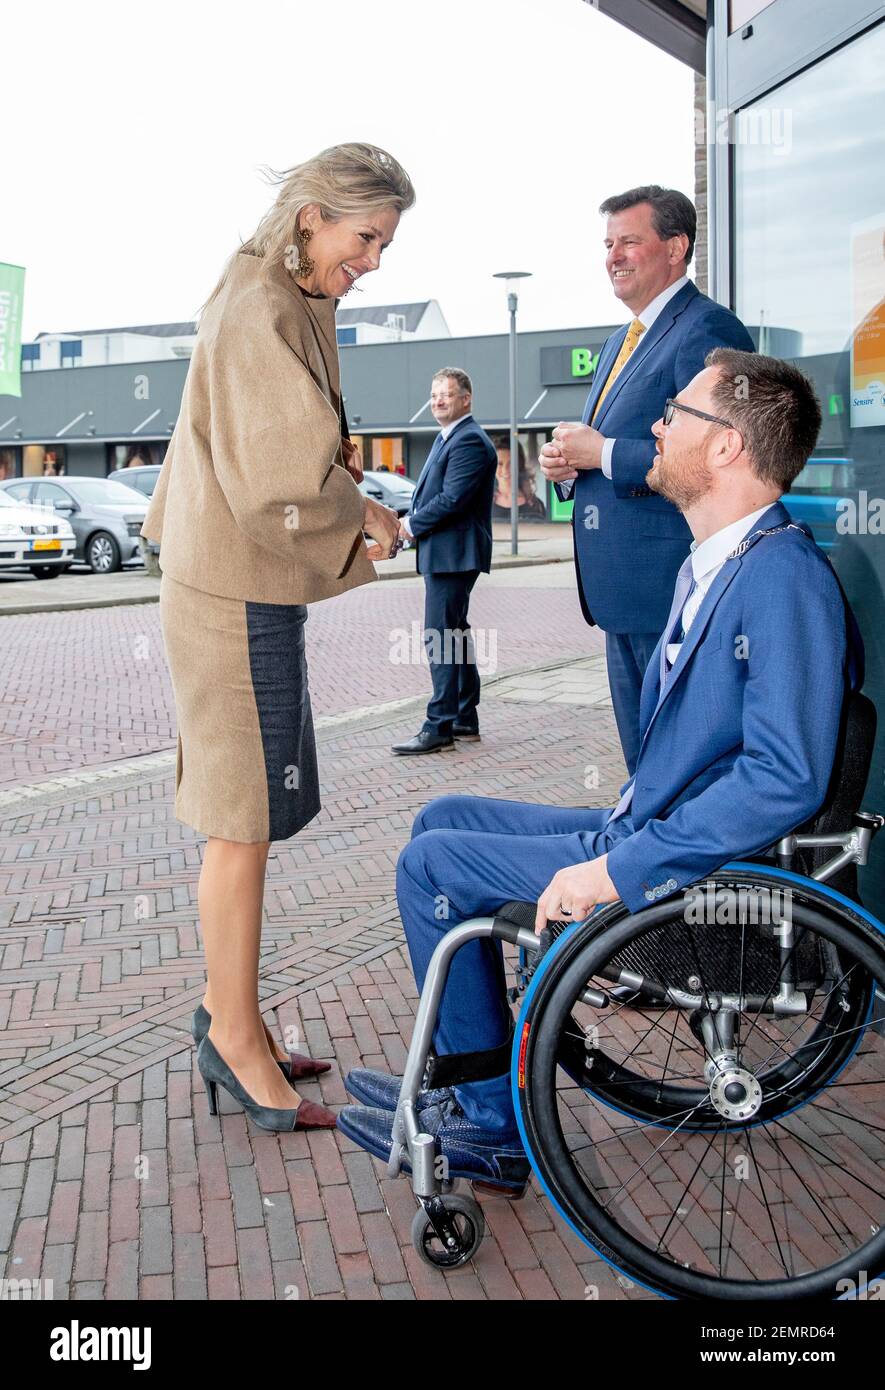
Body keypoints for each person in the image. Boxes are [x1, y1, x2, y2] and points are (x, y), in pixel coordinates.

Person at [339, 348, 864, 1190]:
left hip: (699, 874)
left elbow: (784, 778)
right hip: (649, 827)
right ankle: (470, 1069)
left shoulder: (780, 578)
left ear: (726, 446)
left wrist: (615, 870)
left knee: (429, 865)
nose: (655, 426)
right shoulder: (722, 562)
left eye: (676, 414)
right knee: (438, 817)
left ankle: (489, 1122)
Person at [141, 143, 413, 1135]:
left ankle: (230, 1013)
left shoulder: (275, 293)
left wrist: (347, 489)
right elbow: (281, 472)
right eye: (366, 236)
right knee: (241, 821)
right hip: (230, 587)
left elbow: (285, 446)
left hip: (235, 579)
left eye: (384, 242)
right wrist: (366, 512)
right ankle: (237, 1045)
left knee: (246, 814)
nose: (375, 259)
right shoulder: (263, 302)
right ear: (311, 215)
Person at [541, 185, 755, 775]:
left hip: (671, 587)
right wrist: (569, 467)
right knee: (645, 763)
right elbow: (606, 451)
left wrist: (604, 451)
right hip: (621, 598)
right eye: (608, 244)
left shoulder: (710, 330)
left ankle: (680, 866)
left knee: (681, 765)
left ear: (676, 247)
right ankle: (647, 859)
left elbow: (717, 455)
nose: (614, 255)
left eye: (630, 241)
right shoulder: (617, 341)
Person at [391, 368, 497, 754]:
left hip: (454, 555)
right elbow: (431, 495)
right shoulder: (448, 438)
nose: (437, 401)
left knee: (440, 637)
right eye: (434, 394)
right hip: (446, 553)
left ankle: (439, 727)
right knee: (454, 634)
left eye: (446, 395)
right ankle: (464, 718)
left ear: (466, 399)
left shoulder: (469, 441)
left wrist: (409, 527)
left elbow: (451, 500)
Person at [491, 436, 546, 522]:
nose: (505, 470)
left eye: (511, 463)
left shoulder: (536, 505)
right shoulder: (483, 504)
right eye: (500, 464)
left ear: (520, 464)